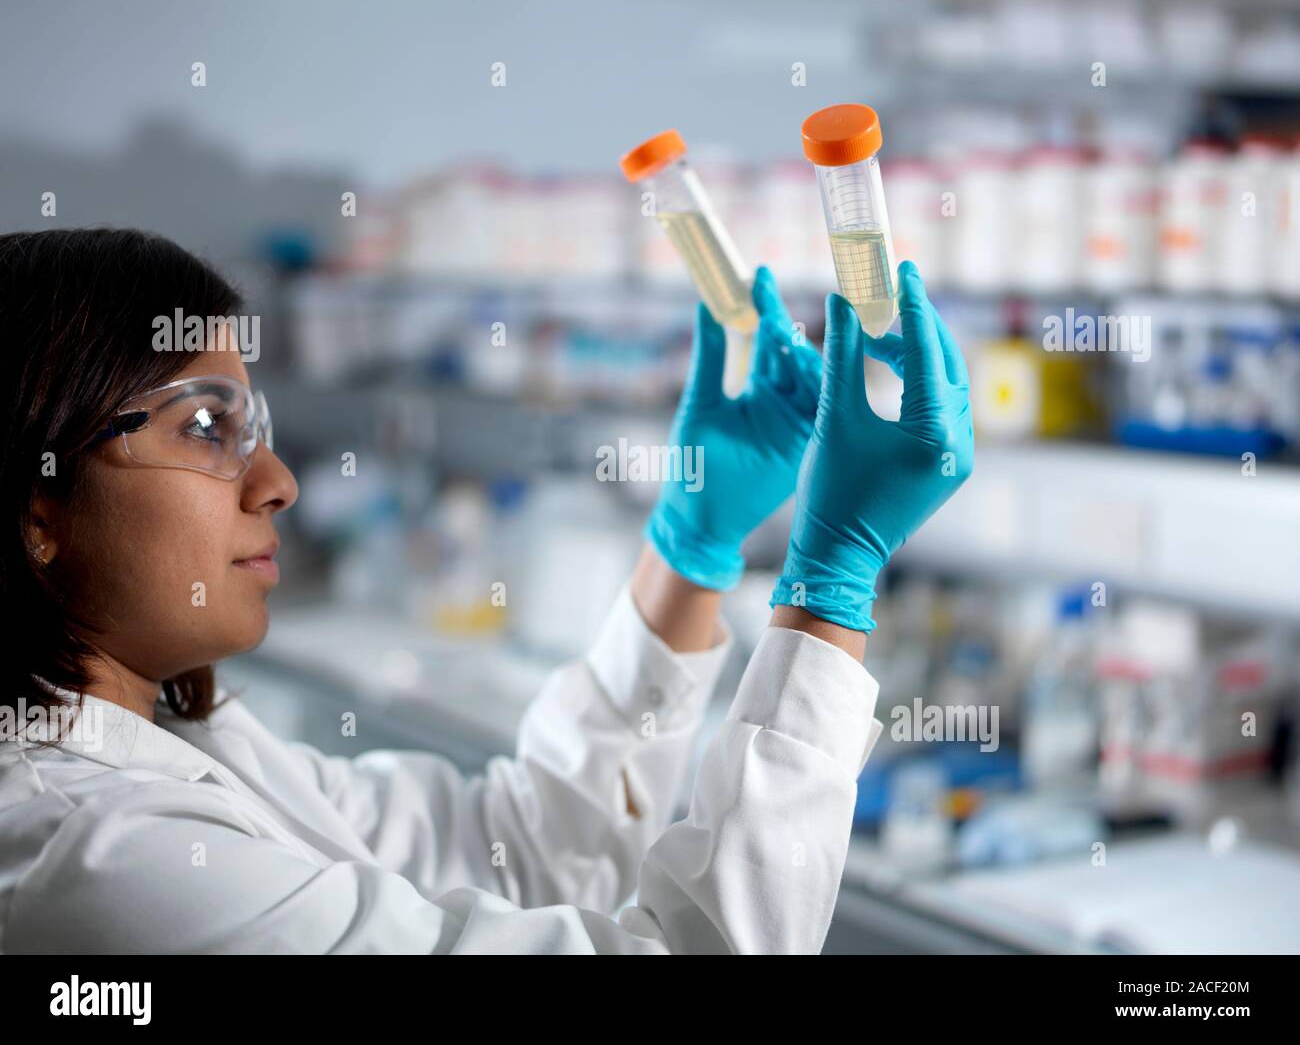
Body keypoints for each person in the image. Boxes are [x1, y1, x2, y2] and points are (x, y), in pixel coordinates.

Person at [0, 227, 971, 954]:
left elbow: (524, 847)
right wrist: (832, 578)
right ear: (36, 508)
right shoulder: (102, 856)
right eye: (206, 428)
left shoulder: (177, 740)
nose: (276, 482)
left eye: (253, 426)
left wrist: (693, 549)